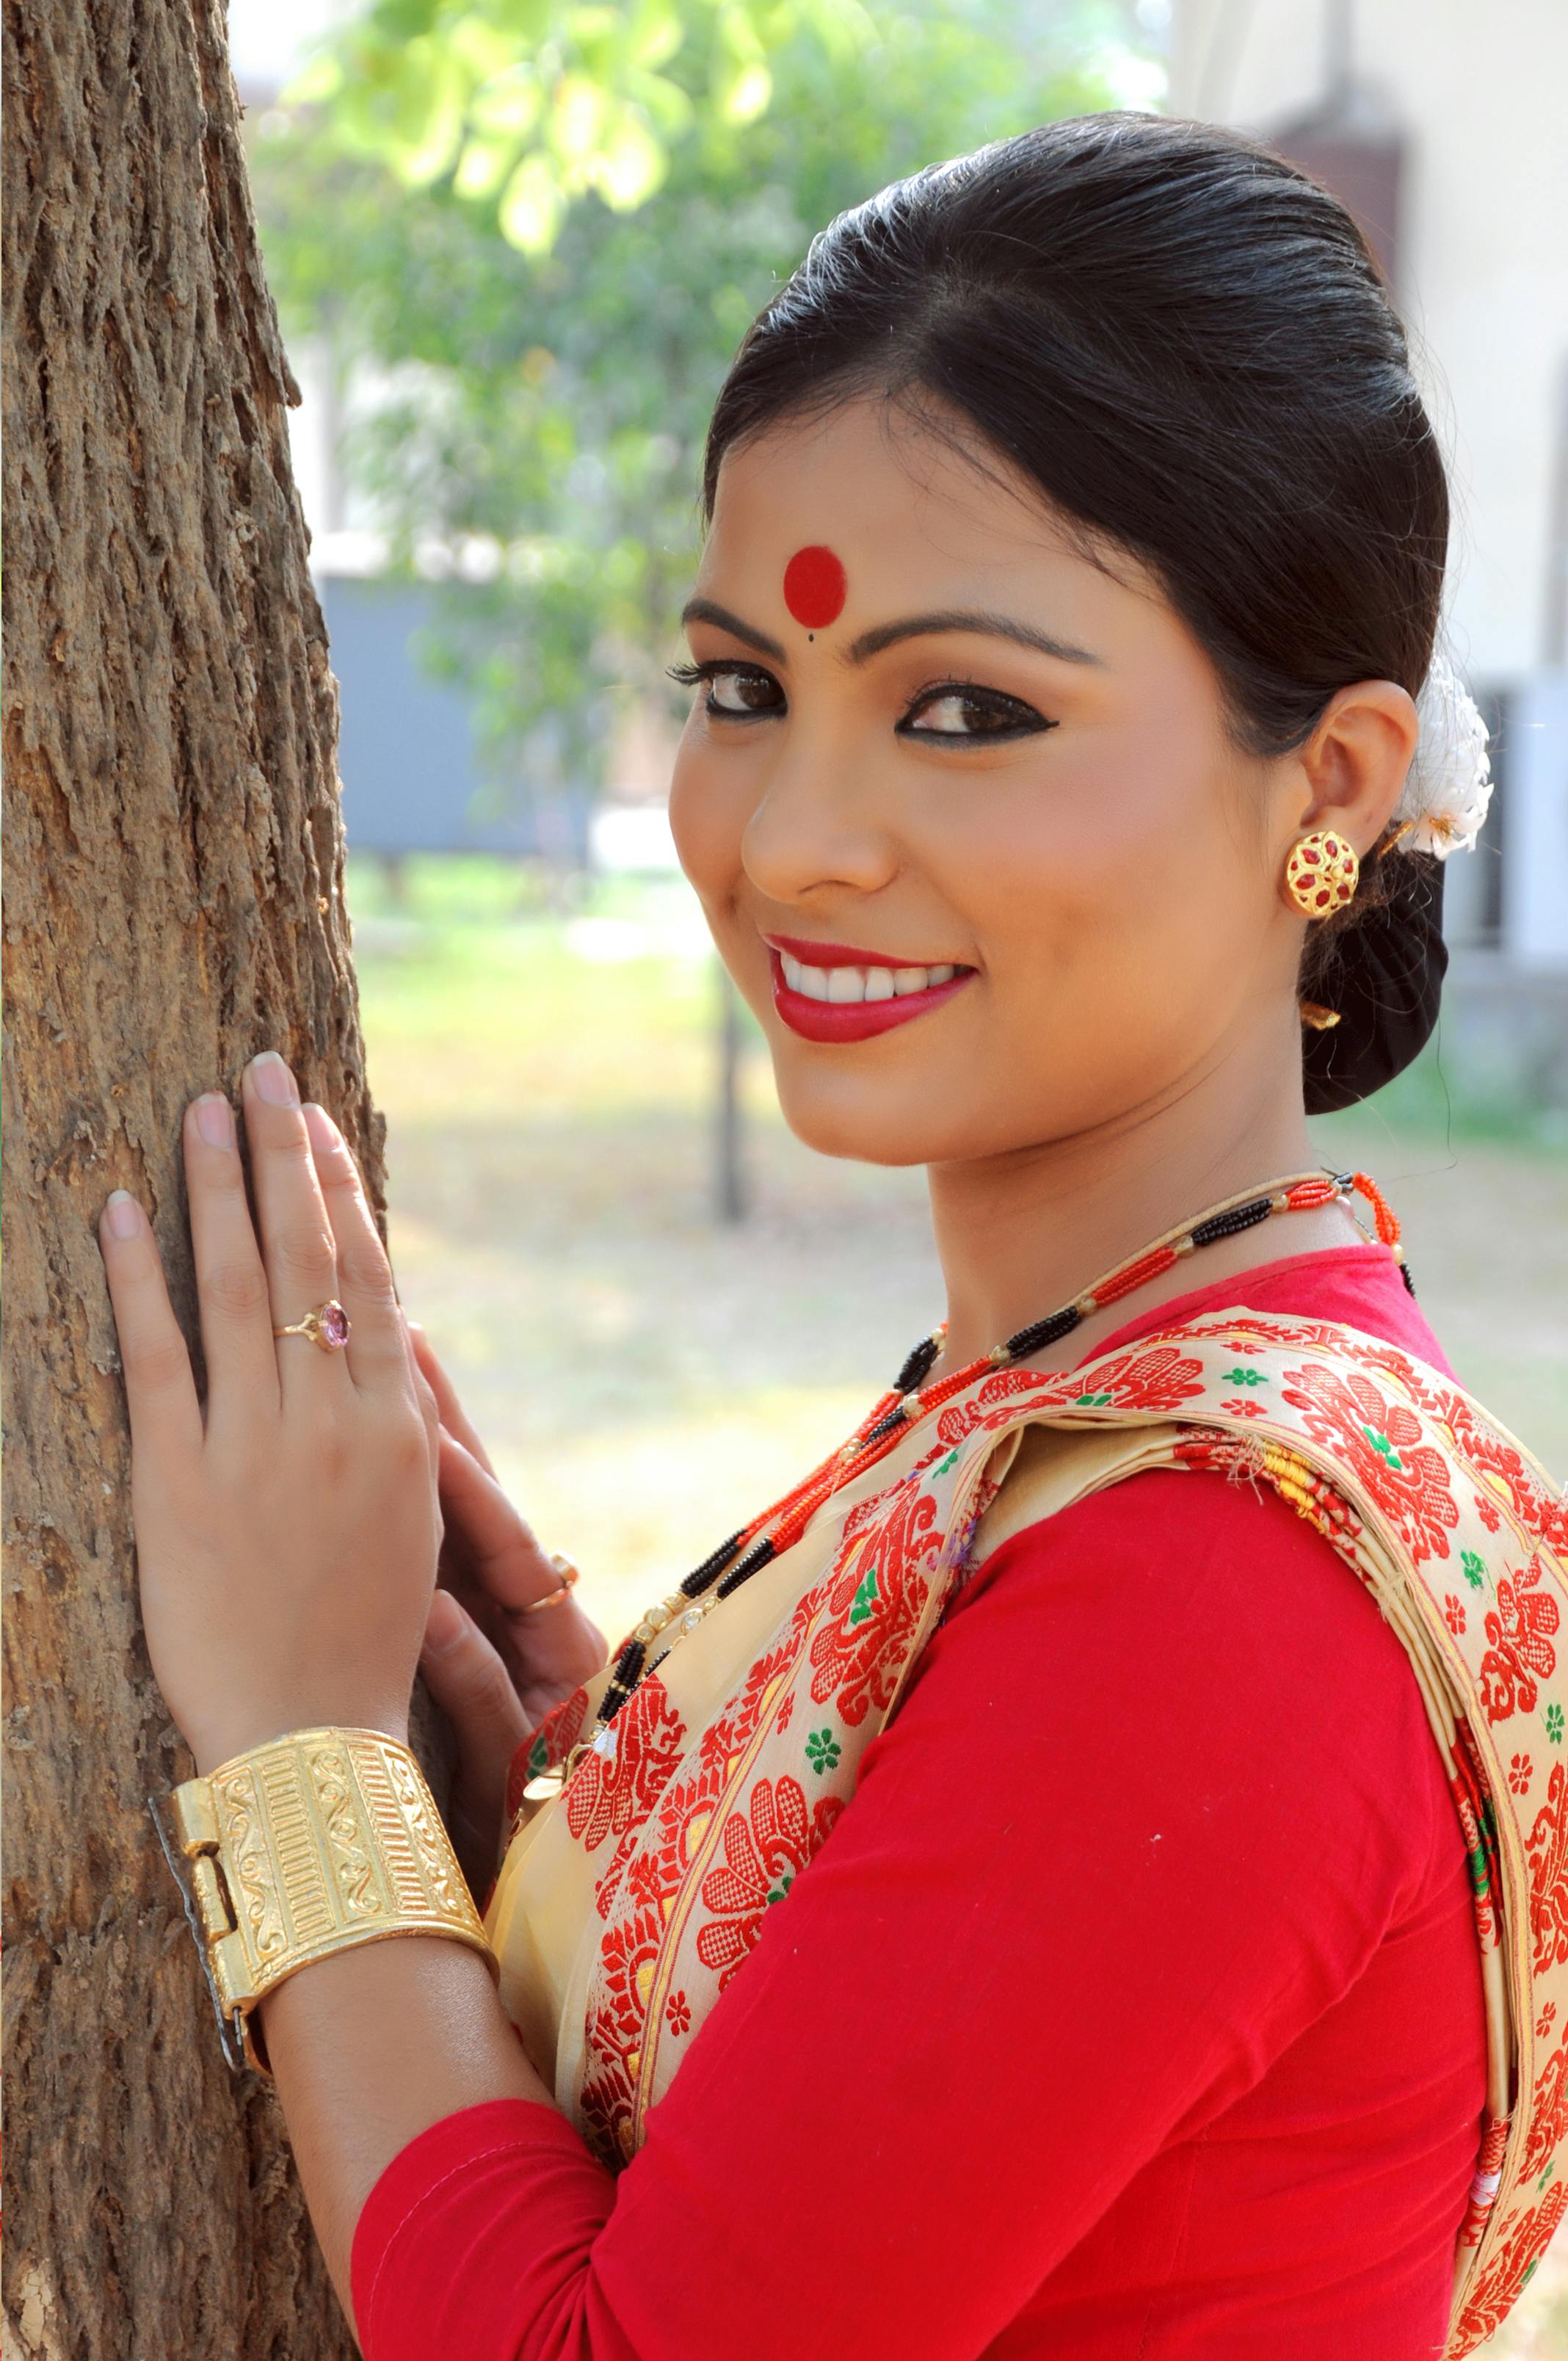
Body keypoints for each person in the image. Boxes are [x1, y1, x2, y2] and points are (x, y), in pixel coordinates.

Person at [98, 114, 1567, 2361]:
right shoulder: (1149, 1389)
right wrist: (584, 1790)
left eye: (967, 712)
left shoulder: (1216, 1567)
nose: (793, 838)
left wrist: (297, 1748)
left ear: (1338, 782)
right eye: (740, 689)